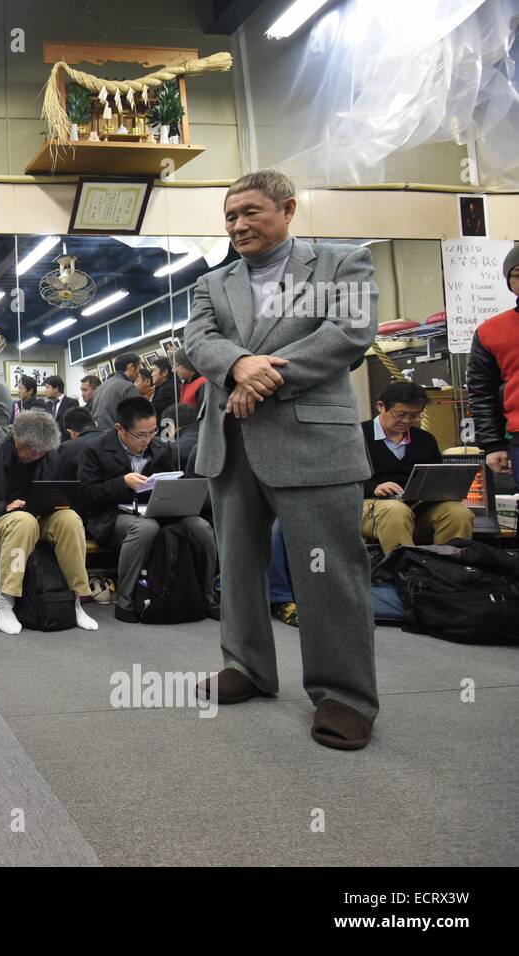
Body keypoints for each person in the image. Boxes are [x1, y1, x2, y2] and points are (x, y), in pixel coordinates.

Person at [184, 168, 380, 751]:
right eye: (230, 216)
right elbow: (198, 341)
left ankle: (345, 695)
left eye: (250, 212)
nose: (238, 225)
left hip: (314, 442)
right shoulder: (213, 283)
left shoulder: (342, 264)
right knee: (238, 564)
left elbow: (347, 334)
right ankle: (246, 666)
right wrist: (237, 365)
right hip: (231, 442)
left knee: (328, 572)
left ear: (288, 209)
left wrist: (259, 376)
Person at [0, 411, 99, 635]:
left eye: (43, 451)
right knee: (23, 520)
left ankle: (75, 599)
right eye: (33, 450)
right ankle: (6, 601)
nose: (38, 455)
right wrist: (3, 506)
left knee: (70, 519)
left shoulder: (48, 455)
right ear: (17, 438)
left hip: (38, 516)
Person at [76, 397, 219, 623]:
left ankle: (209, 597)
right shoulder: (95, 450)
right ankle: (125, 601)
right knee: (145, 528)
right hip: (112, 516)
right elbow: (86, 495)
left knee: (200, 526)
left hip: (156, 511)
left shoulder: (160, 448)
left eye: (152, 432)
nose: (147, 440)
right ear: (120, 429)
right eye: (141, 435)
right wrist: (122, 483)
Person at [360, 381, 474, 553]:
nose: (407, 421)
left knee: (459, 513)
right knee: (396, 511)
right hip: (369, 504)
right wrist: (374, 487)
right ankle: (407, 572)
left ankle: (447, 569)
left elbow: (436, 476)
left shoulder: (425, 439)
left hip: (416, 506)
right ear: (381, 406)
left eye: (414, 416)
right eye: (401, 414)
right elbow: (338, 482)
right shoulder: (356, 436)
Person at [467, 242, 519, 479]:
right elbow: (482, 391)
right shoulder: (490, 332)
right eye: (517, 275)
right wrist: (493, 444)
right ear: (509, 282)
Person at [90, 353, 142, 434]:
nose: (139, 373)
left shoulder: (100, 388)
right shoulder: (128, 386)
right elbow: (141, 416)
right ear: (131, 366)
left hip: (98, 438)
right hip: (117, 439)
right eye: (139, 368)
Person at [43, 374, 79, 439]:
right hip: (50, 443)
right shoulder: (47, 405)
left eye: (47, 387)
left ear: (56, 389)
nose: (45, 391)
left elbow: (72, 425)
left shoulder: (71, 403)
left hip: (66, 442)